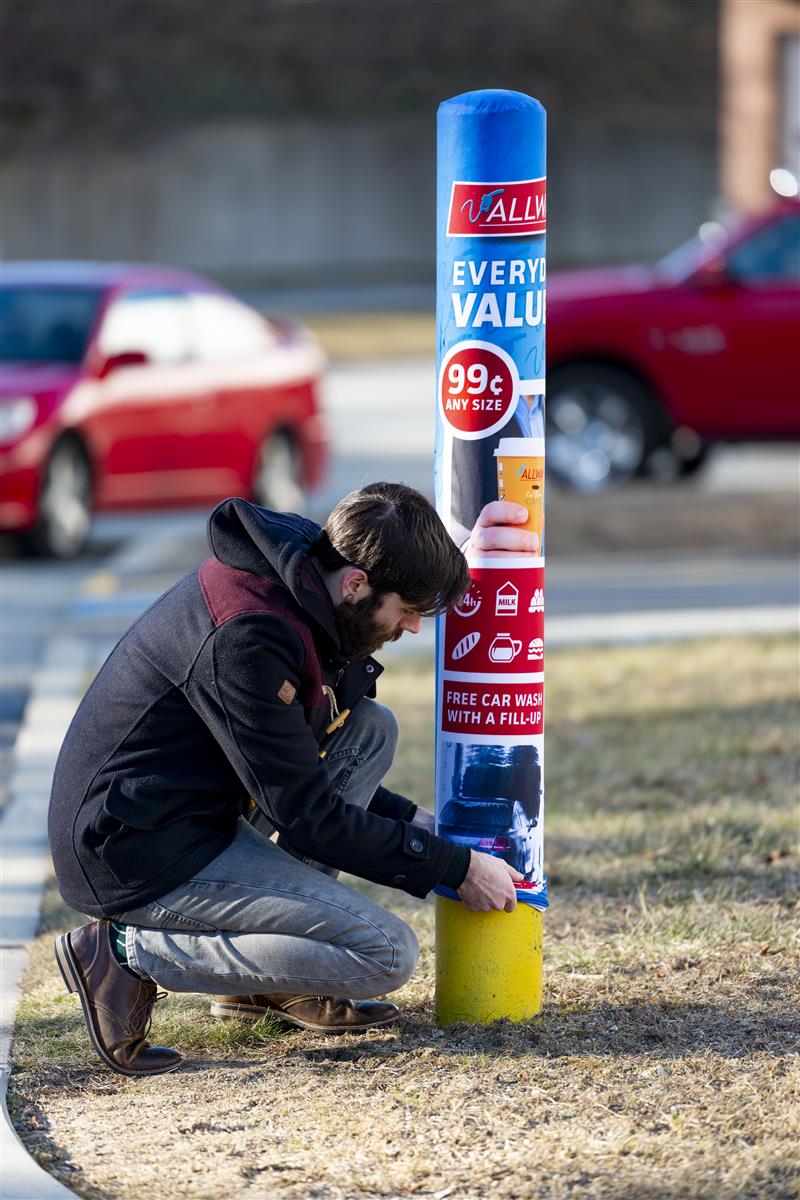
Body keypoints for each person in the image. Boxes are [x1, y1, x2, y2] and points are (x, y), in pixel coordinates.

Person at [49, 483, 536, 1077]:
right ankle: (122, 952)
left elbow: (296, 762)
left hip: (192, 808)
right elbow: (307, 815)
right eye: (407, 608)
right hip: (135, 847)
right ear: (356, 582)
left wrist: (415, 822)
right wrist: (452, 869)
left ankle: (264, 987)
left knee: (371, 728)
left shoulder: (309, 583)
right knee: (384, 953)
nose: (411, 627)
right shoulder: (249, 636)